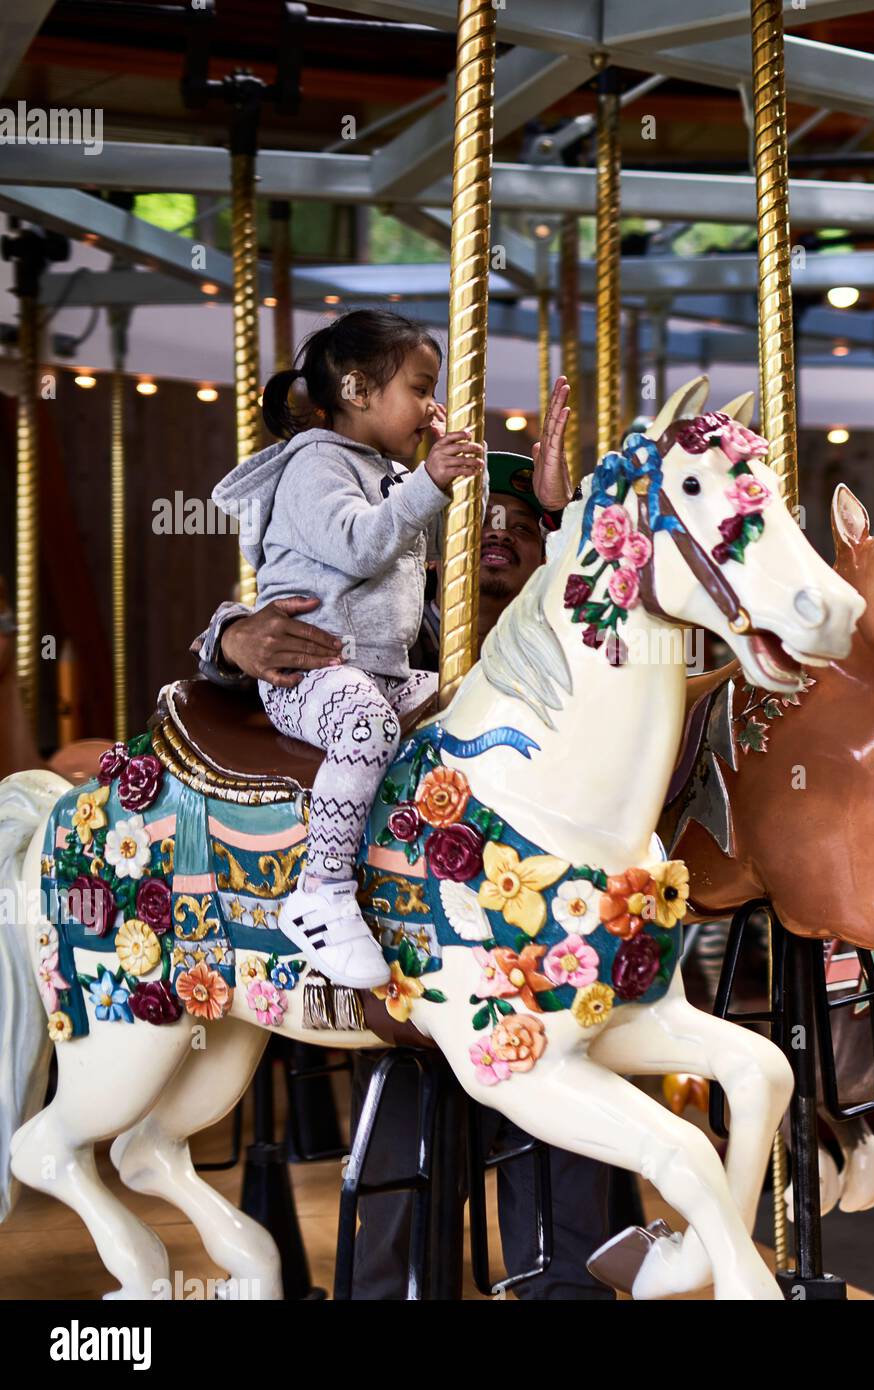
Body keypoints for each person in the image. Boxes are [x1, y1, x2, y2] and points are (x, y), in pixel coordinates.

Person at [196, 409, 618, 1301]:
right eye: (481, 521)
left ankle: (562, 1286)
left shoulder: (587, 658)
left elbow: (628, 597)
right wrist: (235, 638)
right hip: (415, 937)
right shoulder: (403, 639)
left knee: (558, 1109)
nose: (498, 534)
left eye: (521, 522)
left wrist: (565, 508)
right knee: (407, 1123)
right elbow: (286, 617)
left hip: (535, 945)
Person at [211, 308, 487, 990]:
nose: (431, 406)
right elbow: (359, 544)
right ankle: (323, 890)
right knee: (365, 727)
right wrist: (428, 482)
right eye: (421, 389)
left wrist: (442, 478)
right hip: (314, 675)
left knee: (475, 705)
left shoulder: (384, 470)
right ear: (360, 391)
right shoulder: (316, 466)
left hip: (381, 670)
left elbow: (450, 550)